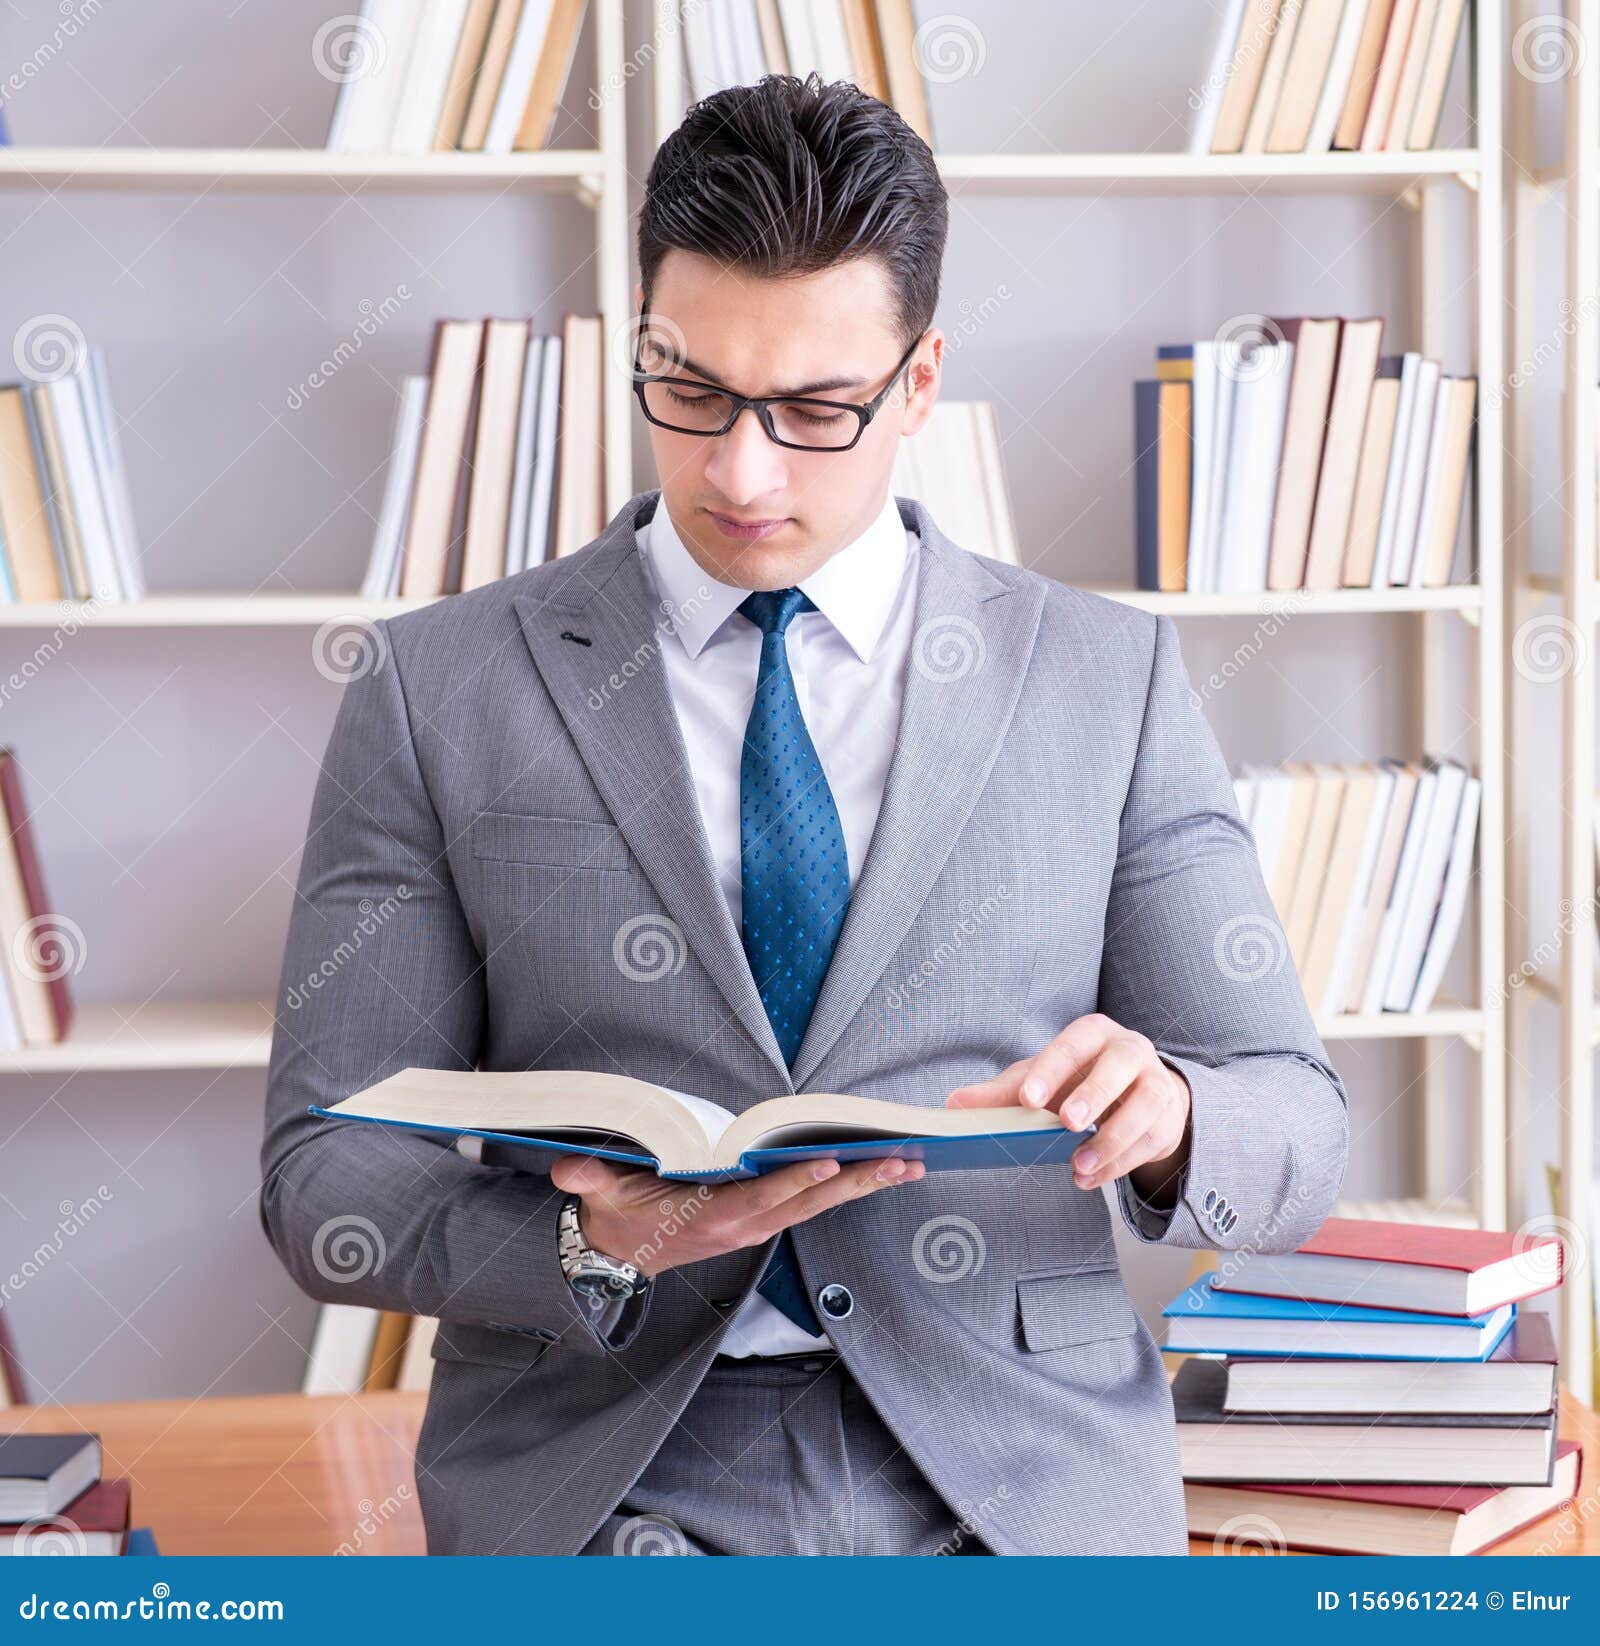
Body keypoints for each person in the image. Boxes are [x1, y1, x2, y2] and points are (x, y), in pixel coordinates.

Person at [260, 74, 1347, 1557]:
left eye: (816, 409)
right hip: (601, 1474)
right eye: (691, 389)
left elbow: (1294, 1117)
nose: (740, 470)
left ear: (920, 380)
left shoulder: (1106, 678)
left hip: (1015, 1485)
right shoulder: (436, 686)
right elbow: (321, 1171)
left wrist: (1171, 1118)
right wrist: (585, 1241)